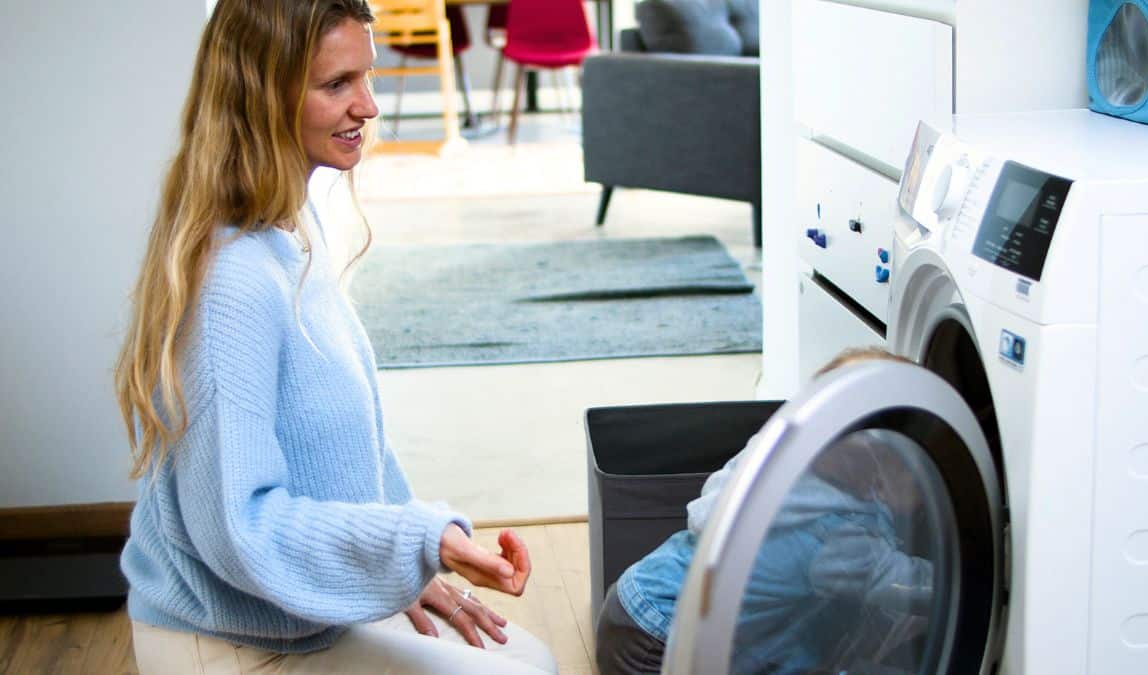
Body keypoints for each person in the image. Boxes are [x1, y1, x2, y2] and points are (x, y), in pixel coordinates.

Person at [112, 1, 556, 673]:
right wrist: (417, 540)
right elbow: (240, 528)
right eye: (337, 85)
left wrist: (399, 566)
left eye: (366, 77)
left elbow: (343, 449)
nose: (369, 106)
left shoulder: (292, 224)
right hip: (230, 636)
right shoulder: (234, 281)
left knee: (528, 656)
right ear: (265, 97)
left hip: (296, 612)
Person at [595, 347, 935, 674]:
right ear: (873, 479)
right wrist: (967, 582)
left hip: (637, 599)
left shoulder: (775, 450)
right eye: (909, 468)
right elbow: (900, 583)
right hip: (659, 641)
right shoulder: (835, 535)